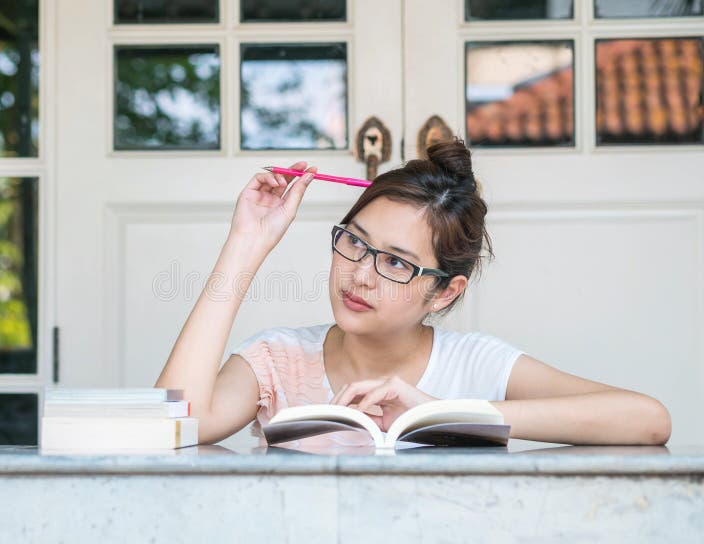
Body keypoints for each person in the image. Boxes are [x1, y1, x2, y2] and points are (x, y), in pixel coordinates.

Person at [155, 138, 671, 447]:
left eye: (397, 262)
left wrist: (439, 413)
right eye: (355, 243)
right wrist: (246, 244)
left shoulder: (478, 365)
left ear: (444, 293)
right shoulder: (275, 360)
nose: (361, 275)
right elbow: (174, 425)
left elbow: (647, 420)